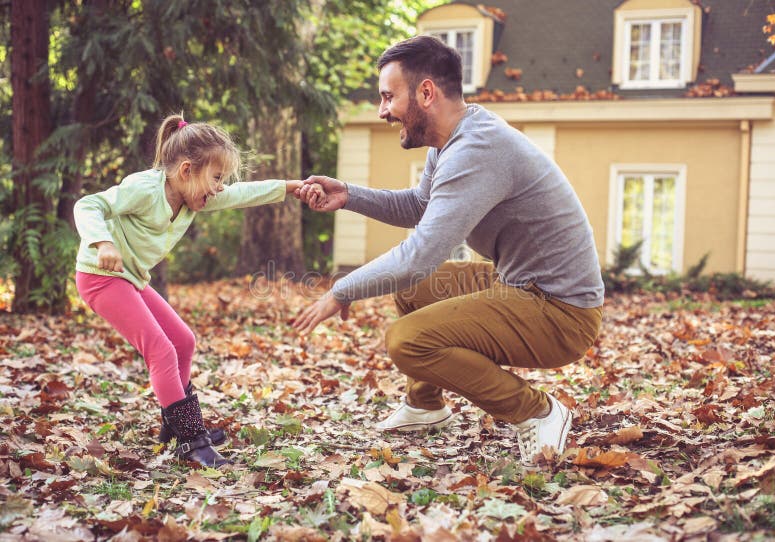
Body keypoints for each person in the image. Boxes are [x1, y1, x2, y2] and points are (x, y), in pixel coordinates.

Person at [293, 35, 604, 465]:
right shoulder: (453, 141)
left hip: (561, 312)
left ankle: (536, 411)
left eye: (388, 97)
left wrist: (342, 290)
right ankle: (426, 406)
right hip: (520, 285)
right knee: (413, 290)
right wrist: (349, 195)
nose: (382, 110)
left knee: (406, 341)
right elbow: (420, 206)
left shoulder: (476, 149)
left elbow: (419, 256)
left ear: (426, 92)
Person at [74, 114, 323, 467]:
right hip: (101, 276)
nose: (220, 188)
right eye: (216, 178)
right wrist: (103, 242)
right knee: (161, 350)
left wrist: (291, 187)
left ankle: (174, 425)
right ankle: (192, 439)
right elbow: (88, 204)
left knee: (183, 341)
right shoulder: (146, 189)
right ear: (187, 170)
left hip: (131, 278)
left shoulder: (193, 196)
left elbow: (242, 194)